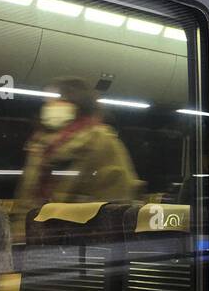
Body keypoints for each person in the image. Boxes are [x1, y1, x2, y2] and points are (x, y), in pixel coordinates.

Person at [17, 77, 144, 213]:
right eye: (49, 100)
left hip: (77, 229)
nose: (50, 105)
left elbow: (118, 197)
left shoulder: (102, 141)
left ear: (77, 103)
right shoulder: (41, 144)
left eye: (59, 99)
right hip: (37, 226)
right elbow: (27, 195)